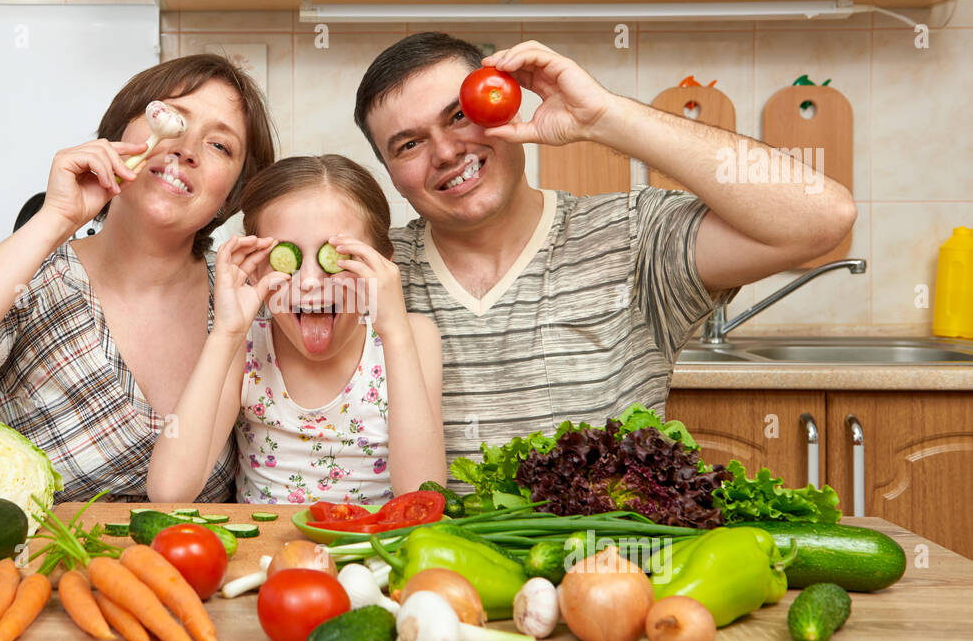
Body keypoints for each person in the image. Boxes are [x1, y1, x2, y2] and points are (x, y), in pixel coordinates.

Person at [353, 33, 856, 488]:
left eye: (459, 115)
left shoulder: (633, 236)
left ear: (504, 106)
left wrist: (604, 118)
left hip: (614, 574)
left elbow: (824, 216)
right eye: (409, 144)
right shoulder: (377, 276)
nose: (444, 151)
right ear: (391, 175)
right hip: (442, 579)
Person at [0, 54, 276, 502]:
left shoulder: (244, 295)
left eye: (220, 146)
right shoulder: (37, 279)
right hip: (32, 569)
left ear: (230, 197)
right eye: (172, 117)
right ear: (115, 138)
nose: (187, 149)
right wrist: (55, 218)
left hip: (192, 571)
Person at [147, 155, 445, 505]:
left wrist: (394, 331)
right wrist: (226, 333)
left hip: (375, 554)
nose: (308, 283)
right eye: (287, 259)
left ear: (382, 265)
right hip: (266, 555)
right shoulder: (244, 345)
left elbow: (421, 496)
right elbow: (169, 491)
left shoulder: (413, 337)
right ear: (255, 270)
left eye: (333, 257)